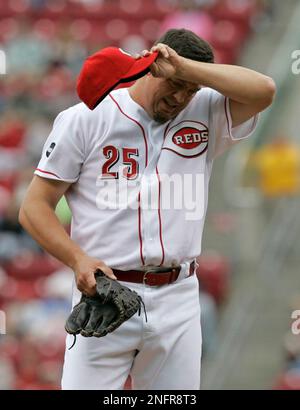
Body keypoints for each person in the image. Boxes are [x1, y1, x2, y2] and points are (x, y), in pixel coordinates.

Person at [19, 28, 275, 390]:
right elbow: (33, 207)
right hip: (107, 293)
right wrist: (77, 259)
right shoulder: (88, 117)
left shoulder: (204, 112)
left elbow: (264, 89)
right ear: (152, 68)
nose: (182, 97)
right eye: (176, 85)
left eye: (191, 90)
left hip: (179, 295)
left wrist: (185, 71)